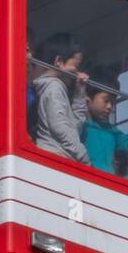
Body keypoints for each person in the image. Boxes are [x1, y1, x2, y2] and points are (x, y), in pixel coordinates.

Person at [32, 32, 89, 162]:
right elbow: (59, 127)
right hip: (55, 155)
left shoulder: (55, 88)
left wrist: (80, 93)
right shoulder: (54, 87)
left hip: (62, 154)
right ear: (58, 61)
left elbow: (73, 127)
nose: (77, 72)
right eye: (75, 66)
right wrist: (82, 154)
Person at [80, 77, 128, 175]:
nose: (110, 107)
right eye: (106, 101)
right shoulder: (78, 124)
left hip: (105, 183)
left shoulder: (111, 132)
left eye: (113, 102)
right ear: (88, 97)